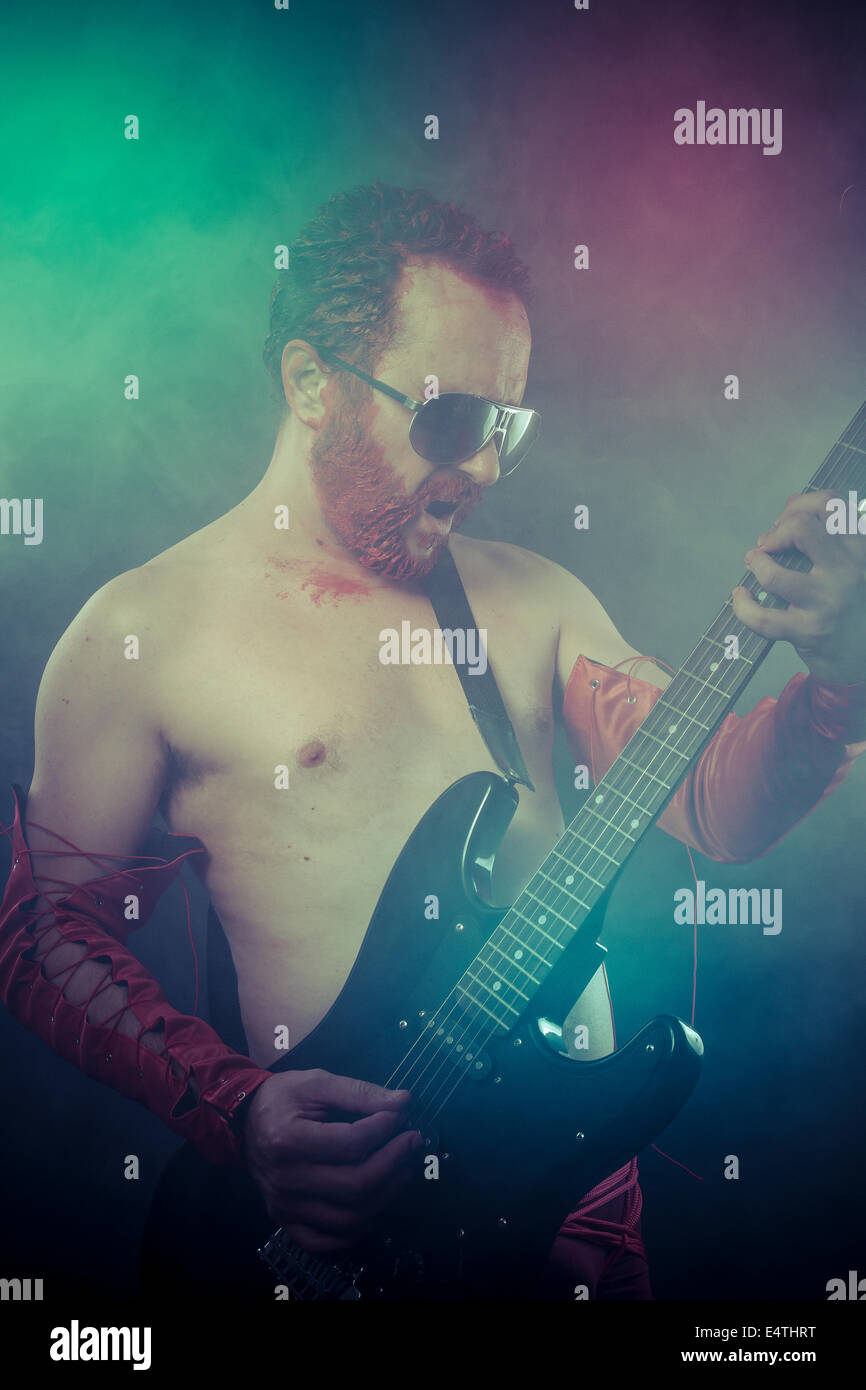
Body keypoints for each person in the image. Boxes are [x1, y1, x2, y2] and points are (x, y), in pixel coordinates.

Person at [2, 182, 865, 1301]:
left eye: (507, 427)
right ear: (312, 383)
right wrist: (239, 1107)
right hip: (332, 1251)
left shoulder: (531, 601)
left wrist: (840, 673)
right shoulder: (145, 632)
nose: (490, 468)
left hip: (572, 1231)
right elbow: (38, 931)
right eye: (454, 420)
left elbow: (713, 801)